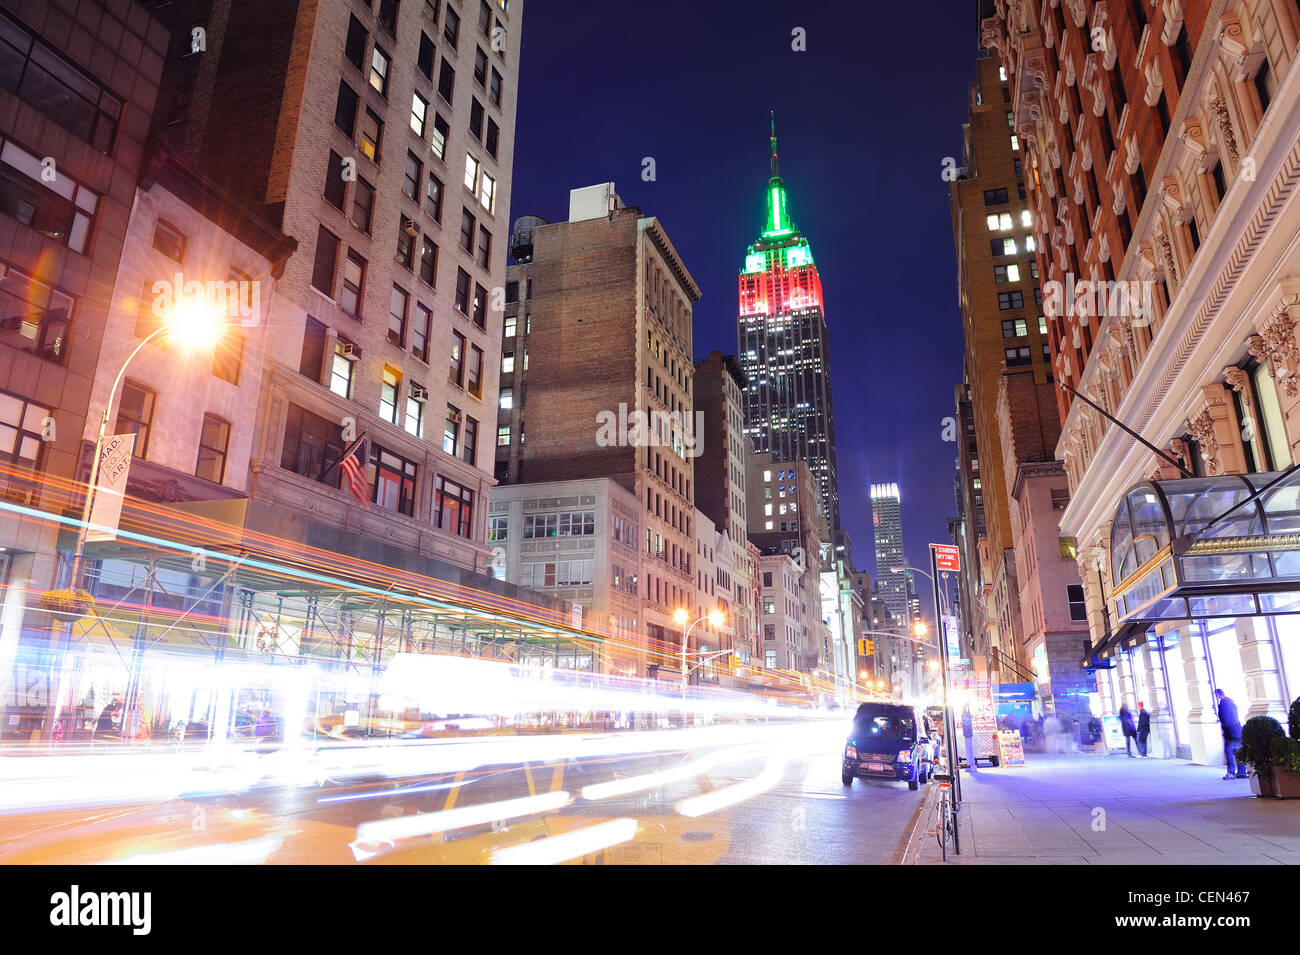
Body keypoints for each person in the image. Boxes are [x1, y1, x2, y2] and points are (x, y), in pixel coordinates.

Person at [1215, 689, 1248, 780]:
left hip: (1230, 731)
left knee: (1229, 752)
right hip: (1237, 730)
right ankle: (1242, 771)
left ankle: (1231, 773)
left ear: (1217, 695)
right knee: (1238, 751)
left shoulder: (1223, 704)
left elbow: (1224, 718)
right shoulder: (1232, 703)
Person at [962, 704, 977, 772]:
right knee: (969, 748)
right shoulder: (966, 715)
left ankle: (970, 764)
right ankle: (970, 764)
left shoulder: (965, 715)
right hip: (968, 733)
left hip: (967, 733)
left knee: (969, 749)